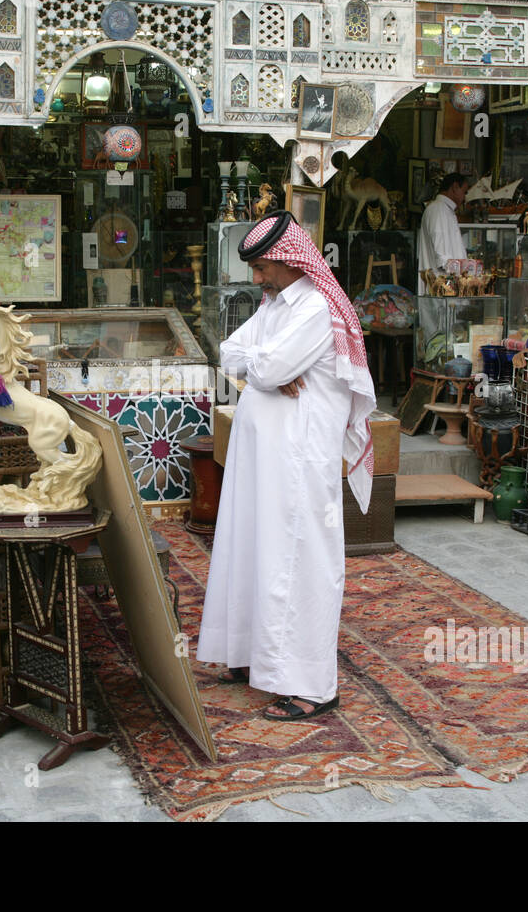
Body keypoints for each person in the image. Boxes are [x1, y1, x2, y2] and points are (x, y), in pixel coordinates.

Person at [196, 211, 376, 721]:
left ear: (286, 259)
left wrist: (266, 369)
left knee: (298, 562)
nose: (255, 279)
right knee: (254, 549)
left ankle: (311, 685)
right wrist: (265, 369)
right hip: (261, 459)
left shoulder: (318, 309)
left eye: (260, 268)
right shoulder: (277, 306)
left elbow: (267, 367)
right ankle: (254, 657)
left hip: (298, 461)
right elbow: (228, 353)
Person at [417, 173, 469, 293]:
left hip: (447, 288)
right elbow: (443, 257)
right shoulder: (438, 209)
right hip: (443, 289)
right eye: (464, 192)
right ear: (455, 187)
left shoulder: (444, 209)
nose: (465, 198)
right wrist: (458, 279)